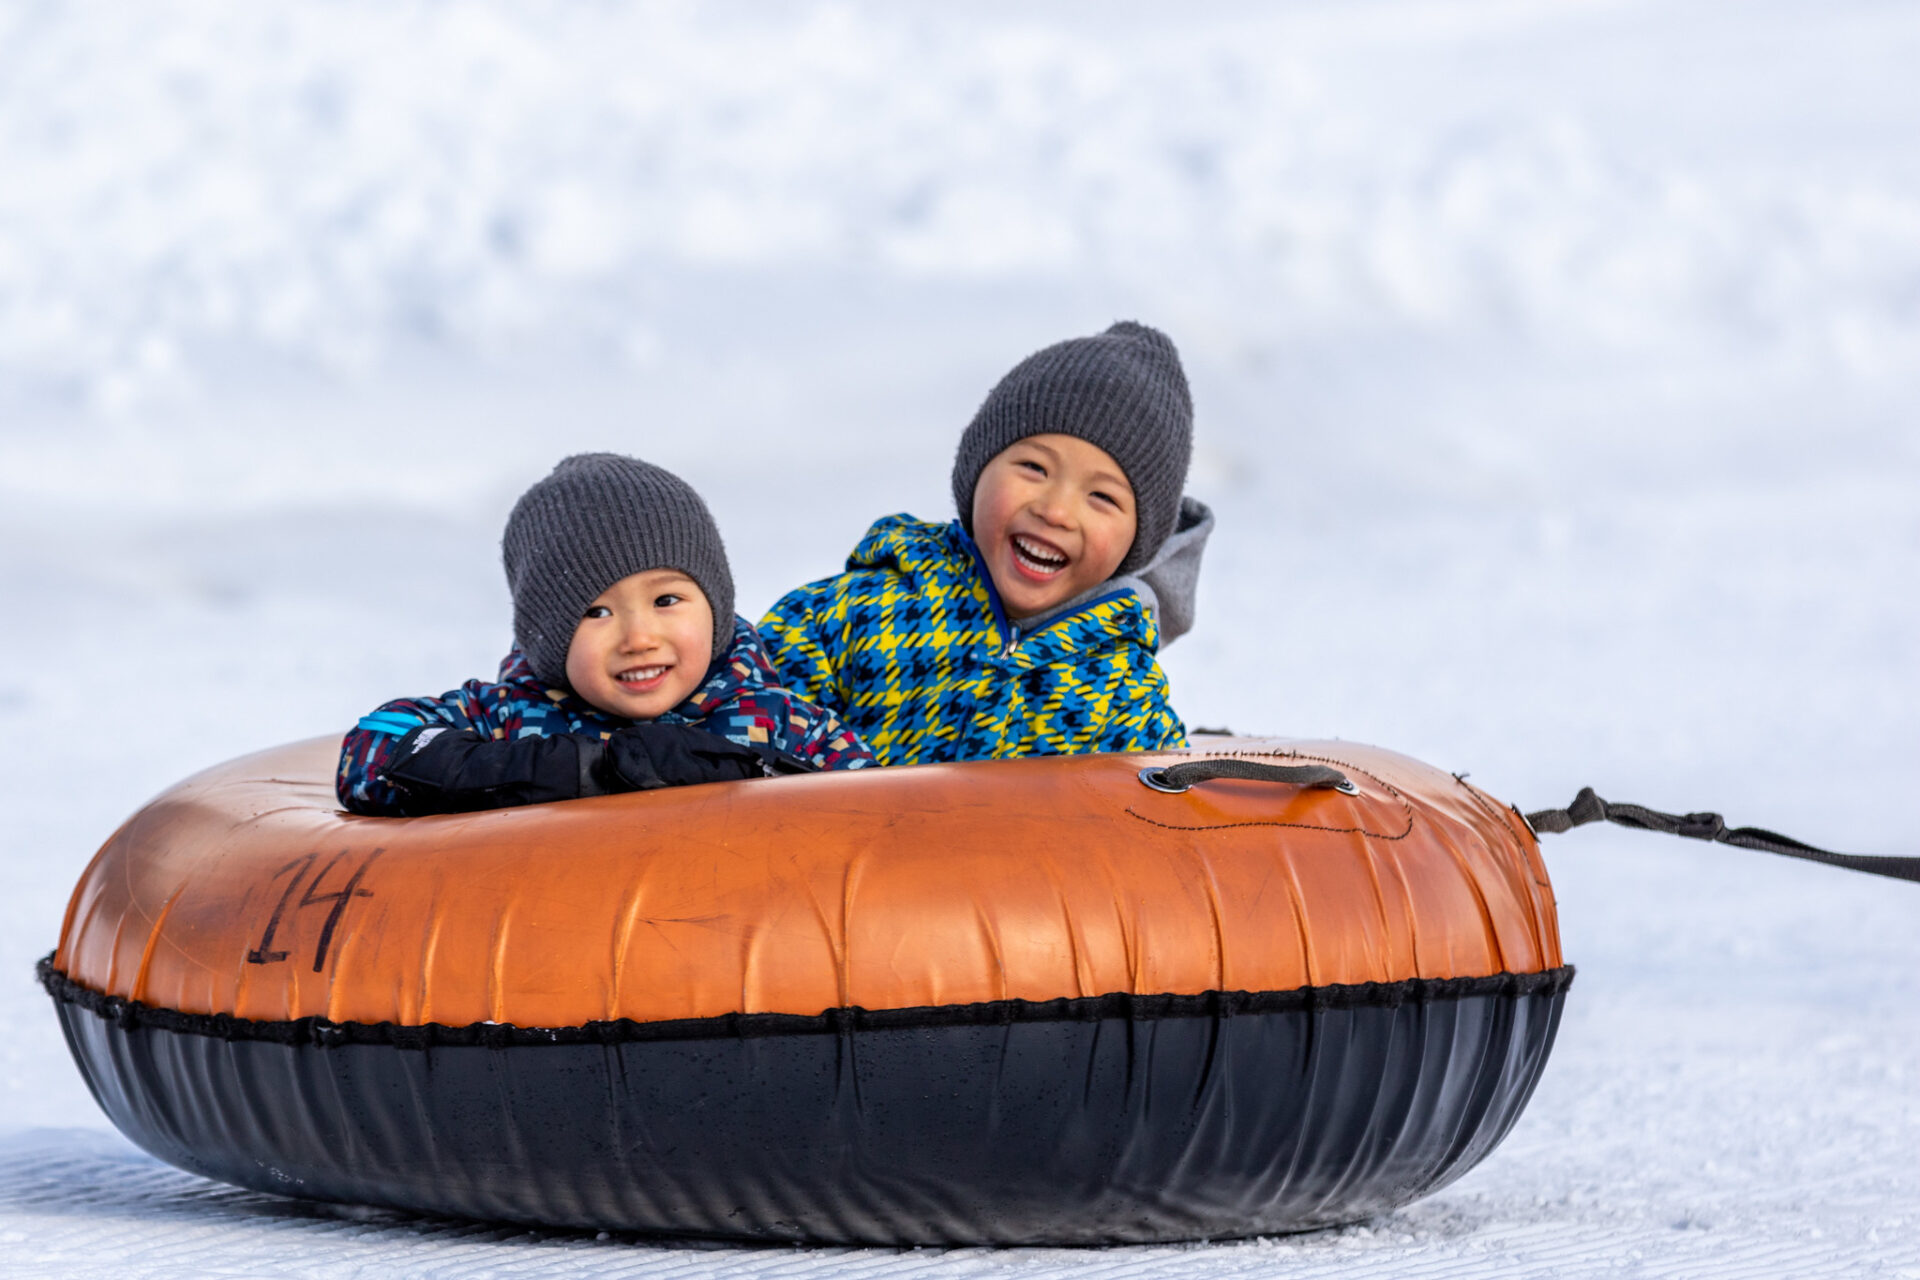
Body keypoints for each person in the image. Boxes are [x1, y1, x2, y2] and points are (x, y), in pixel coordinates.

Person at [761, 321, 1211, 766]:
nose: (1055, 511)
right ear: (977, 472)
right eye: (1035, 468)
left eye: (1101, 497)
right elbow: (749, 710)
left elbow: (1150, 817)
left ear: (1137, 540)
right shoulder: (859, 614)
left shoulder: (1119, 691)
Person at [338, 453, 873, 816]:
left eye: (666, 601)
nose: (639, 637)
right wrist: (575, 769)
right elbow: (372, 748)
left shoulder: (777, 722)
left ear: (715, 607)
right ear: (546, 636)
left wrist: (751, 769)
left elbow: (880, 817)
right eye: (596, 612)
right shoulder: (509, 715)